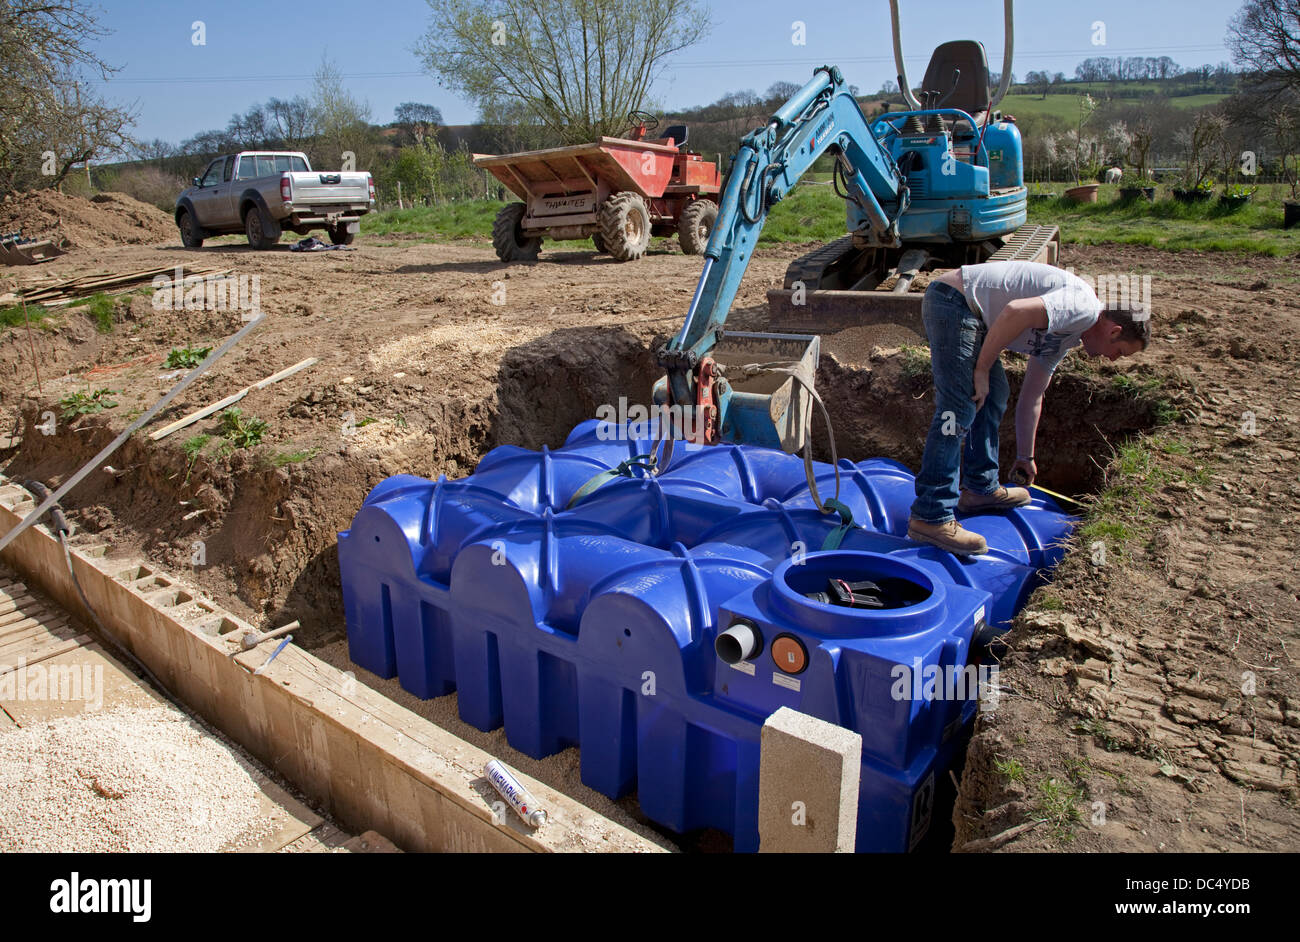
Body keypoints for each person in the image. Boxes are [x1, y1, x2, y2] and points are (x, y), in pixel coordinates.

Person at [907, 260, 1150, 555]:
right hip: (954, 301)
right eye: (1120, 352)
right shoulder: (1083, 308)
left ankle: (980, 488)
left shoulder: (1067, 336)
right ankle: (930, 515)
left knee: (995, 395)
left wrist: (1026, 456)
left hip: (971, 313)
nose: (1112, 359)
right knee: (956, 408)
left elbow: (1033, 395)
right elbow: (1015, 311)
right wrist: (981, 370)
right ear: (1114, 332)